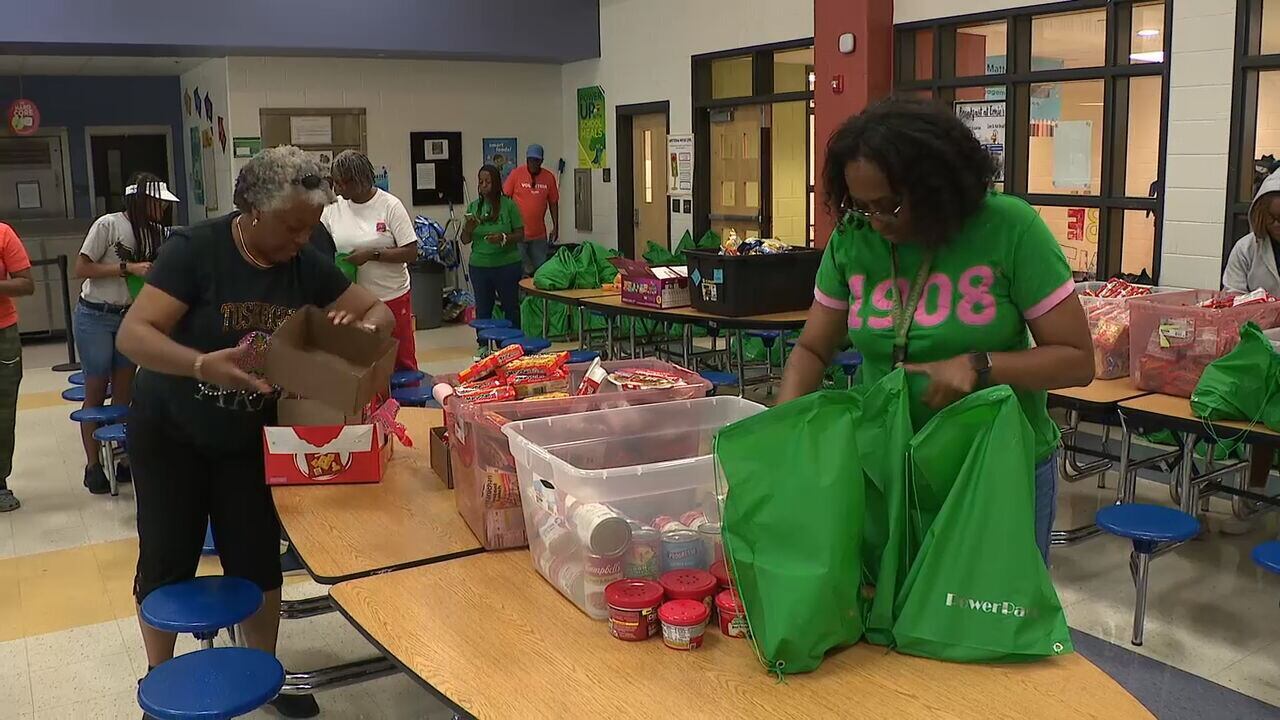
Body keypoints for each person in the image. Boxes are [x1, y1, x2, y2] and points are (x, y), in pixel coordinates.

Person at [117, 146, 393, 719]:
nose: (303, 239)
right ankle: (160, 679)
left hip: (248, 438)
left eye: (311, 226)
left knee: (257, 559)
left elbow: (380, 313)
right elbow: (133, 335)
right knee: (168, 557)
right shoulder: (196, 250)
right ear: (252, 209)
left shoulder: (305, 259)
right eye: (292, 226)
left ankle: (263, 672)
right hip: (172, 430)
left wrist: (357, 324)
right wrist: (201, 364)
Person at [778, 98, 1095, 562]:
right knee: (892, 619)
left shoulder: (1010, 229)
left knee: (989, 623)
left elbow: (1077, 360)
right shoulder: (854, 238)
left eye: (892, 205)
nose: (878, 221)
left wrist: (981, 365)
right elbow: (811, 348)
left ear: (939, 185)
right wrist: (784, 426)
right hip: (889, 467)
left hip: (993, 468)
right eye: (863, 206)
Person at [72, 173, 179, 495]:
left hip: (130, 316)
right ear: (142, 201)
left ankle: (122, 460)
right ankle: (92, 465)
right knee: (96, 386)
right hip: (95, 315)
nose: (162, 209)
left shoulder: (159, 234)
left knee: (124, 390)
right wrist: (126, 269)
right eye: (158, 203)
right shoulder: (109, 225)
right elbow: (81, 268)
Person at [323, 150, 420, 371]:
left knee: (400, 361)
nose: (336, 189)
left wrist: (372, 255)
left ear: (358, 182)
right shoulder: (332, 209)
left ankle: (409, 404)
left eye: (341, 183)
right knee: (363, 364)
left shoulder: (390, 206)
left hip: (391, 296)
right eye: (334, 182)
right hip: (354, 302)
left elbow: (411, 252)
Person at [1222, 170, 1280, 502]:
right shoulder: (1247, 248)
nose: (1276, 225)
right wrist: (1265, 310)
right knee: (1260, 429)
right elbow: (1232, 299)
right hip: (1256, 349)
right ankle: (1252, 498)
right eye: (1271, 218)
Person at [466, 164, 525, 329]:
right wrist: (468, 229)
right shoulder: (474, 207)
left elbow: (521, 235)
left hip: (507, 265)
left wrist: (503, 237)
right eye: (481, 182)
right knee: (483, 309)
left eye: (488, 182)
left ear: (497, 184)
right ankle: (484, 344)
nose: (484, 185)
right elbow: (464, 240)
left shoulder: (509, 206)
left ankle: (512, 344)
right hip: (480, 266)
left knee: (510, 308)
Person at [0, 223, 33, 512]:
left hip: (3, 334)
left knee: (2, 412)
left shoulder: (3, 234)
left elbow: (26, 283)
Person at [504, 144, 558, 276]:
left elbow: (553, 203)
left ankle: (538, 297)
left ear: (541, 161)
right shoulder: (516, 174)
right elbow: (505, 199)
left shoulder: (548, 177)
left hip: (539, 235)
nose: (534, 163)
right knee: (522, 270)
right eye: (531, 160)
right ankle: (522, 296)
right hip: (519, 234)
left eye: (537, 160)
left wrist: (556, 227)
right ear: (527, 159)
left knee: (540, 272)